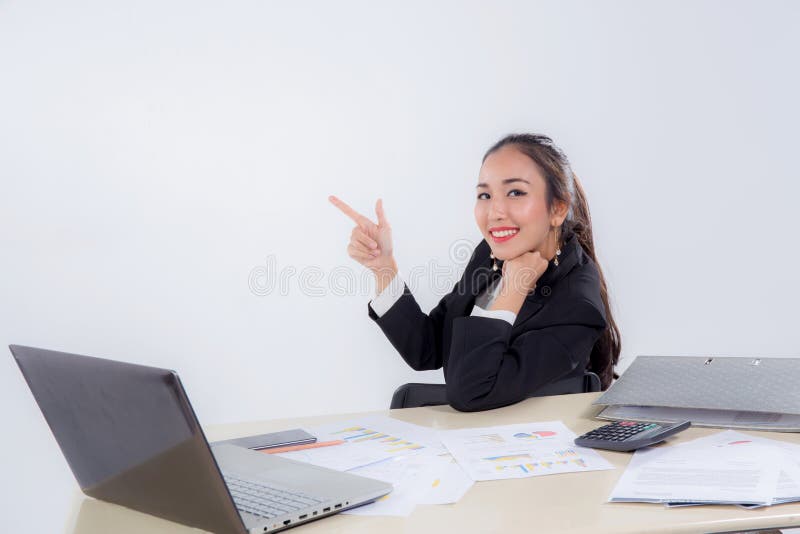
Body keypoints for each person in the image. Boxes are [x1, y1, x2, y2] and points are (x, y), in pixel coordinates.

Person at [329, 133, 621, 412]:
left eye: (515, 192)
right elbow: (428, 348)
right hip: (476, 444)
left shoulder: (578, 306)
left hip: (536, 450)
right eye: (484, 195)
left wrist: (513, 290)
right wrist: (384, 267)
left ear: (557, 209)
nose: (495, 211)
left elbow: (471, 391)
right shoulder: (490, 255)